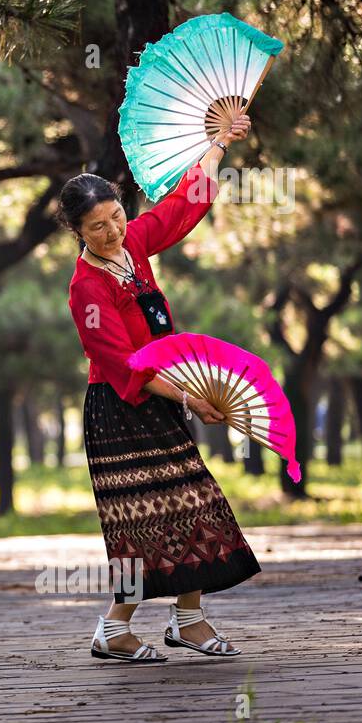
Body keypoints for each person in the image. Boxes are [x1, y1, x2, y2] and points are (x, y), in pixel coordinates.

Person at [62, 112, 260, 662]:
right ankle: (115, 629)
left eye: (117, 216)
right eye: (97, 227)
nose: (112, 231)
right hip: (120, 407)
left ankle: (186, 619)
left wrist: (218, 145)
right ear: (76, 232)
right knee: (141, 520)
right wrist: (192, 398)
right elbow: (125, 364)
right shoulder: (86, 288)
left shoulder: (135, 251)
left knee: (192, 505)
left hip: (163, 397)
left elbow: (181, 206)